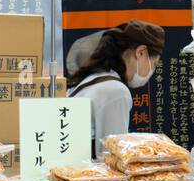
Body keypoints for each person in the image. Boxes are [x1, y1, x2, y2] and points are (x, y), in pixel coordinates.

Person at [67, 20, 165, 157]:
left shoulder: (93, 79)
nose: (152, 70)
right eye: (154, 64)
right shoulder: (115, 91)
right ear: (141, 52)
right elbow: (112, 157)